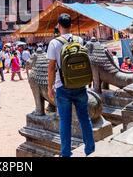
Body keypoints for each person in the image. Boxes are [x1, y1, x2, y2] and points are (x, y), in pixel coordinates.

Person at [47, 13, 95, 157]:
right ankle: (90, 149)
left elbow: (51, 68)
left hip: (62, 87)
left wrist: (50, 87)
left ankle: (66, 153)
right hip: (80, 84)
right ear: (71, 25)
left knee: (65, 121)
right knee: (84, 118)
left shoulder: (54, 43)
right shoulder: (79, 40)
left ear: (58, 26)